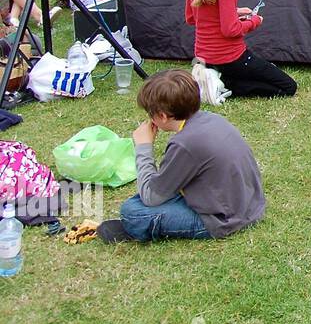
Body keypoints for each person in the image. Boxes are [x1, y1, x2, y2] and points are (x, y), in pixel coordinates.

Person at [95, 70, 265, 243]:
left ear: (162, 116)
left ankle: (138, 227)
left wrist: (143, 146)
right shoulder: (211, 118)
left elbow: (151, 197)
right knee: (146, 197)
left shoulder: (185, 143)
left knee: (132, 211)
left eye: (149, 113)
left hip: (224, 219)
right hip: (249, 204)